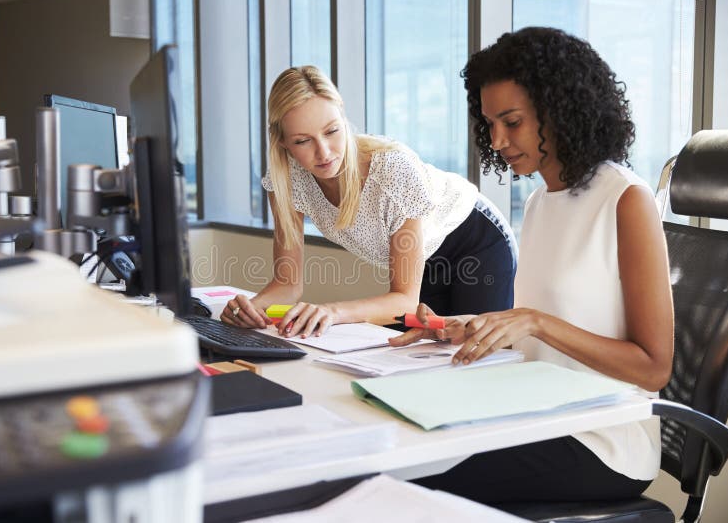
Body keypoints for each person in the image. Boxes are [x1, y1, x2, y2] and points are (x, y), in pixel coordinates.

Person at [389, 27, 674, 504]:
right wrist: (464, 328)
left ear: (561, 110)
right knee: (399, 452)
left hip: (602, 440)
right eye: (490, 124)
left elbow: (653, 368)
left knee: (412, 481)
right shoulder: (542, 202)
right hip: (539, 413)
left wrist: (537, 322)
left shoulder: (626, 200)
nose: (497, 140)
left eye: (512, 122)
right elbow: (538, 330)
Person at [222, 65, 516, 338]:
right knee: (426, 363)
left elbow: (404, 300)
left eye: (332, 131)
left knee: (476, 353)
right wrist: (250, 308)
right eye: (302, 141)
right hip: (422, 264)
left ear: (343, 116)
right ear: (283, 142)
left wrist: (331, 311)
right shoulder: (285, 180)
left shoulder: (392, 170)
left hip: (476, 243)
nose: (323, 152)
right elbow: (287, 285)